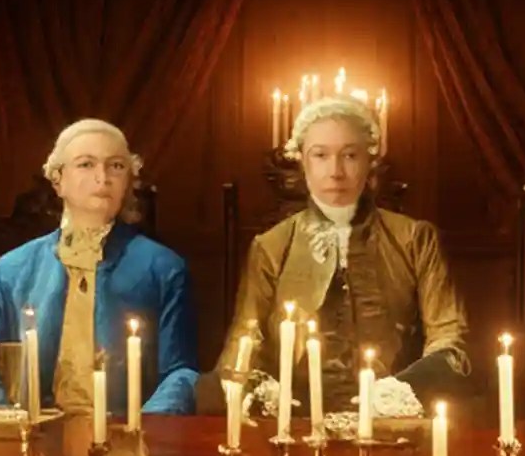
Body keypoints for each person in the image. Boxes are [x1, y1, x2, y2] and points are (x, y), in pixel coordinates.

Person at [198, 95, 471, 415]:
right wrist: (260, 393)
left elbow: (451, 341)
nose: (336, 172)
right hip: (294, 423)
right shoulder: (272, 246)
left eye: (350, 155)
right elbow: (244, 345)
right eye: (321, 155)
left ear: (371, 162)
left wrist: (402, 389)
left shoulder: (415, 239)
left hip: (395, 422)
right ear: (302, 161)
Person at [0, 118, 198, 417]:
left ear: (129, 181)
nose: (102, 177)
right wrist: (9, 430)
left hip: (126, 440)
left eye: (116, 166)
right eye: (86, 164)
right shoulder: (13, 268)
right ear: (57, 180)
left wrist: (142, 433)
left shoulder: (163, 268)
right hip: (32, 438)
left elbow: (180, 373)